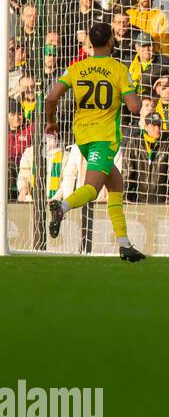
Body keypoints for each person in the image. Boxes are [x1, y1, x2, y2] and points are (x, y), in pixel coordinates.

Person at [43, 22, 146, 261]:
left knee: (116, 185)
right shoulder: (119, 69)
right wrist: (132, 96)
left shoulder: (76, 68)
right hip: (104, 138)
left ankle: (124, 244)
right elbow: (134, 106)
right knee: (91, 189)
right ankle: (62, 206)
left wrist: (51, 122)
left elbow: (51, 97)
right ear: (111, 41)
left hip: (83, 138)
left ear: (90, 43)